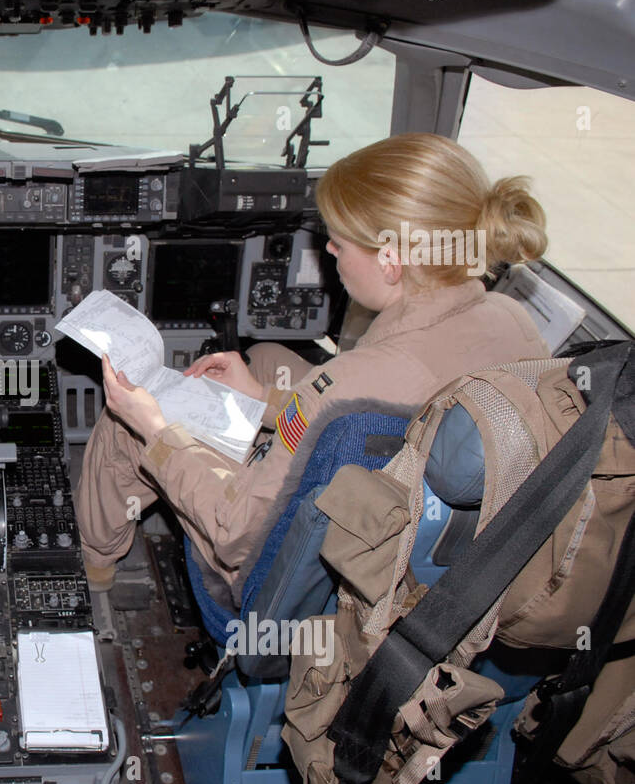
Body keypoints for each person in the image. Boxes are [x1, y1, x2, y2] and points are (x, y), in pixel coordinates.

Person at [76, 133, 551, 613]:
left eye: (340, 244)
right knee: (264, 359)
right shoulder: (511, 319)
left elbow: (233, 529)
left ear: (390, 262)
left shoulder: (350, 384)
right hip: (440, 554)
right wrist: (263, 397)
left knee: (127, 425)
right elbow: (371, 418)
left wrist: (155, 429)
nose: (329, 249)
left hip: (278, 576)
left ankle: (95, 566)